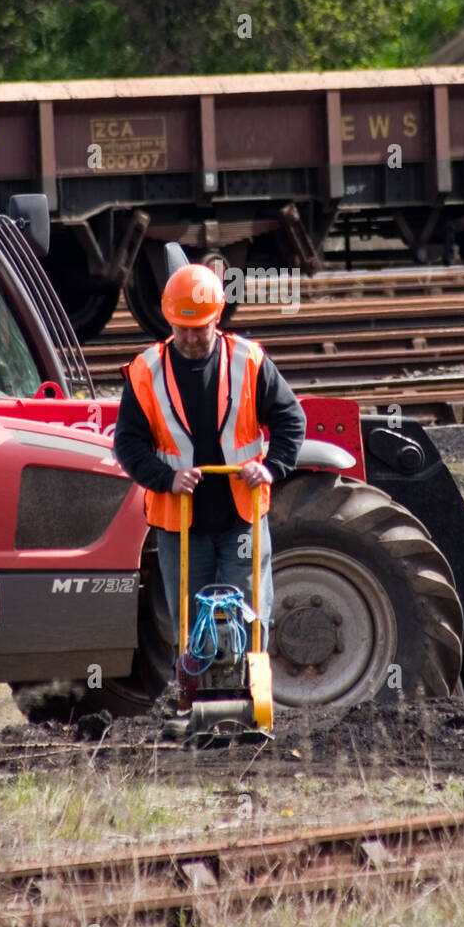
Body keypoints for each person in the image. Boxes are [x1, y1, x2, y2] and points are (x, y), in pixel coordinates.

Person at [114, 262, 306, 666]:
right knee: (189, 622)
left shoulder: (248, 361)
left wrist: (271, 467)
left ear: (216, 318)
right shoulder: (145, 371)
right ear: (169, 320)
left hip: (242, 515)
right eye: (181, 328)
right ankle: (194, 696)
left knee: (250, 614)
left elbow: (291, 419)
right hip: (180, 521)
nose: (190, 337)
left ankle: (250, 691)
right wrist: (166, 478)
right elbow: (128, 445)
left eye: (199, 328)